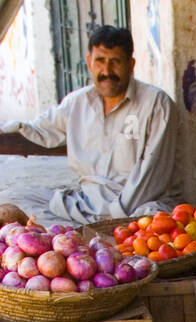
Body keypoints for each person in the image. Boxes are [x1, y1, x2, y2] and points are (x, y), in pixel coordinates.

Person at [0, 25, 178, 224]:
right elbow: (39, 129)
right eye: (100, 61)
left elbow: (152, 176)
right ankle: (78, 235)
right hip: (84, 205)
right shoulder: (76, 103)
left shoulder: (155, 103)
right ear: (89, 63)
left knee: (154, 220)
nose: (107, 71)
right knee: (9, 198)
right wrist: (7, 128)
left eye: (116, 62)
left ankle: (85, 235)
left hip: (136, 207)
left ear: (131, 64)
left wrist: (115, 218)